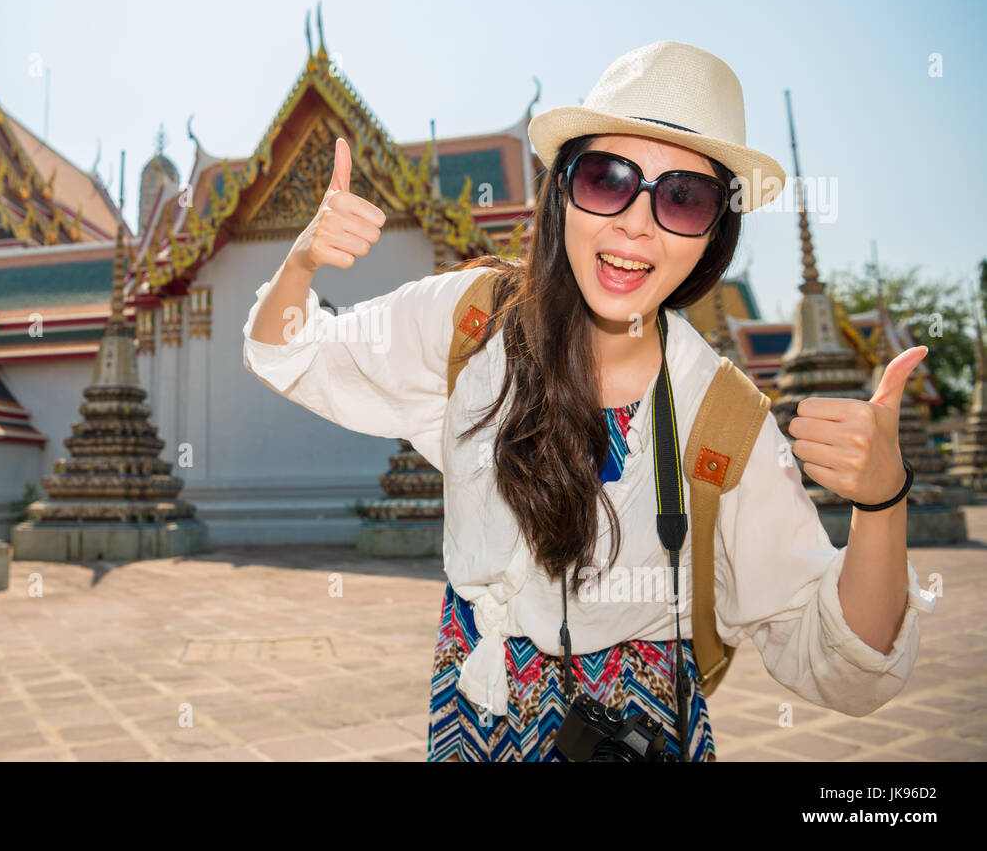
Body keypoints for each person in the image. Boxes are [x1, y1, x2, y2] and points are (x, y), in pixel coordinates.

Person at [241, 40, 935, 761]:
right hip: (472, 721)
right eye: (608, 180)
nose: (636, 222)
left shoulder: (723, 420)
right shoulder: (471, 325)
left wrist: (884, 500)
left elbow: (845, 663)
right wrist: (303, 259)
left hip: (636, 738)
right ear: (562, 191)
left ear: (713, 236)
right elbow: (288, 353)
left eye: (683, 197)